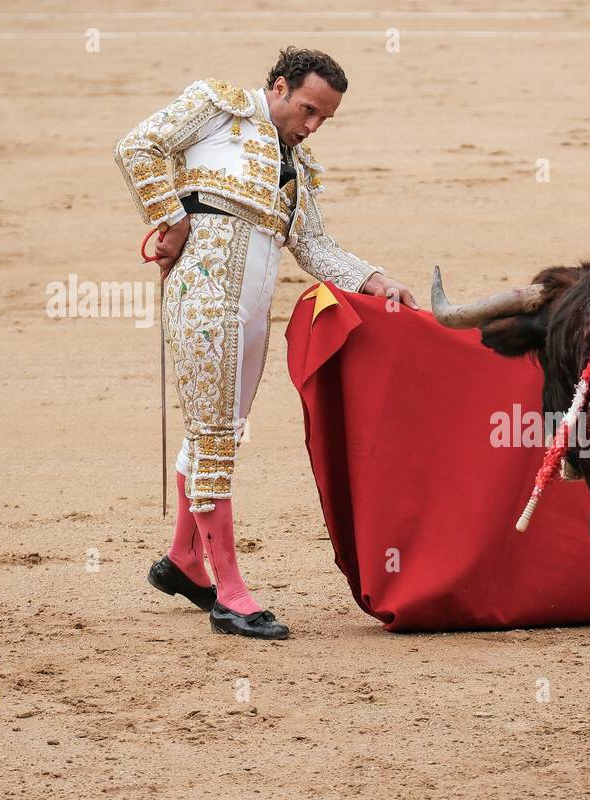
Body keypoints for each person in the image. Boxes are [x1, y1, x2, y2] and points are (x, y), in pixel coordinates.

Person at [114, 47, 417, 639]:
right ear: (278, 87)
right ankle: (229, 591)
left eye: (323, 119)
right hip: (204, 298)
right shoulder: (217, 108)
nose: (311, 127)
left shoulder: (297, 171)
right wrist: (172, 217)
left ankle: (182, 559)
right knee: (213, 434)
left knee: (219, 428)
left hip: (253, 313)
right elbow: (138, 147)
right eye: (307, 110)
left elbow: (315, 248)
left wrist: (376, 280)